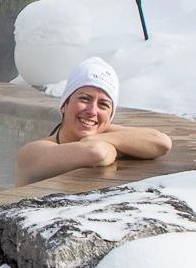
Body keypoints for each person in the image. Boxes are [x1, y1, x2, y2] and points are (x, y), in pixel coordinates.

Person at [15, 57, 172, 184]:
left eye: (103, 105)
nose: (92, 111)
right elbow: (96, 153)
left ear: (110, 117)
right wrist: (117, 144)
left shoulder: (99, 134)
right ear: (64, 105)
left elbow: (161, 142)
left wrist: (100, 132)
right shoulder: (32, 152)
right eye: (84, 98)